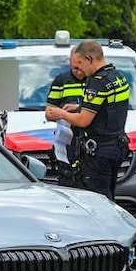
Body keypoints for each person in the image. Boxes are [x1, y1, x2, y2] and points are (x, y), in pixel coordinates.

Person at [44, 40, 129, 200]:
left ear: (90, 59)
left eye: (81, 63)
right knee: (108, 197)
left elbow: (83, 121)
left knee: (96, 202)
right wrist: (77, 107)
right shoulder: (118, 77)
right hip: (116, 146)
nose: (80, 69)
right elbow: (107, 108)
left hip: (98, 153)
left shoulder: (98, 83)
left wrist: (61, 113)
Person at [46, 51, 87, 187]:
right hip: (67, 144)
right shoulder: (61, 81)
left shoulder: (95, 81)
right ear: (70, 62)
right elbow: (48, 113)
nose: (79, 72)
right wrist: (59, 113)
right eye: (75, 68)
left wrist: (77, 107)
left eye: (81, 67)